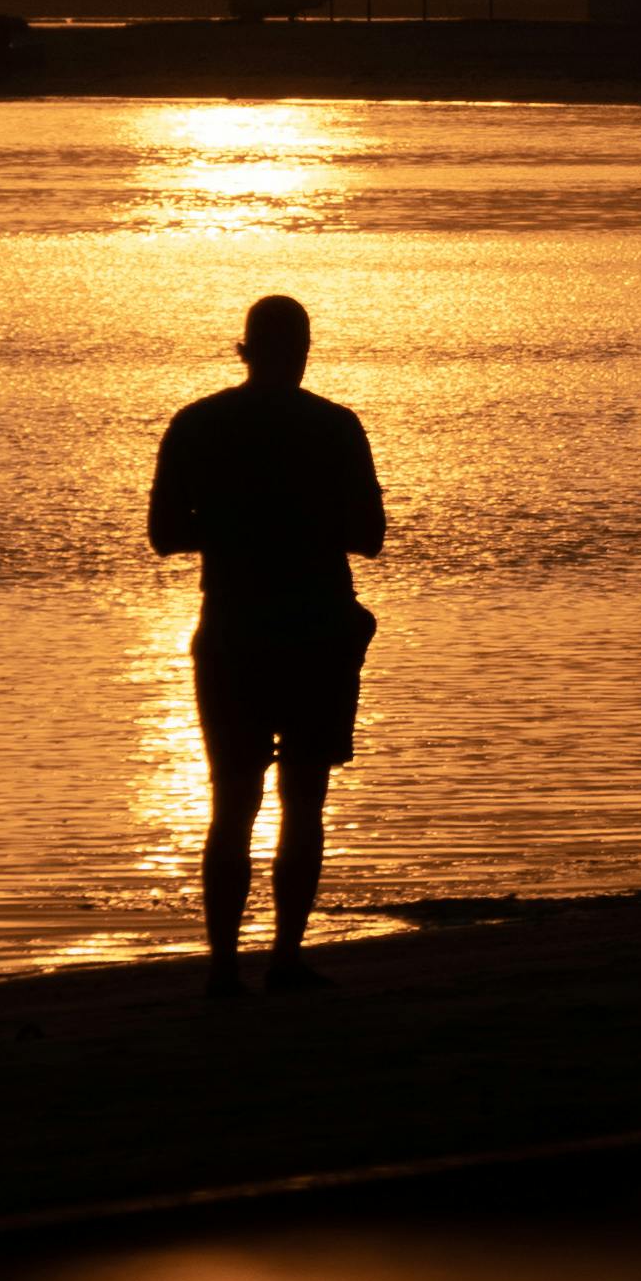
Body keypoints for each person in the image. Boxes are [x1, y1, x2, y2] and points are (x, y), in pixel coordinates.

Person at [146, 292, 386, 996]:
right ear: (305, 351)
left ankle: (224, 967)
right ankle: (284, 956)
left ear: (243, 349)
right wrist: (301, 527)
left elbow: (164, 535)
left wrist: (232, 531)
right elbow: (369, 535)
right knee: (303, 798)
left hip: (233, 631)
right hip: (315, 628)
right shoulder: (336, 427)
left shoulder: (197, 423)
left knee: (232, 801)